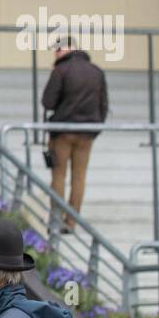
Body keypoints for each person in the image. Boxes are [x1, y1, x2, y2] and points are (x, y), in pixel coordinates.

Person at [41, 40, 108, 233]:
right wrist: (95, 127)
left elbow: (47, 102)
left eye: (58, 50)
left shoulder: (60, 71)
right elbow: (104, 104)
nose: (56, 54)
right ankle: (71, 222)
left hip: (62, 132)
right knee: (79, 177)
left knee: (59, 175)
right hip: (87, 133)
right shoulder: (96, 71)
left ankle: (56, 218)